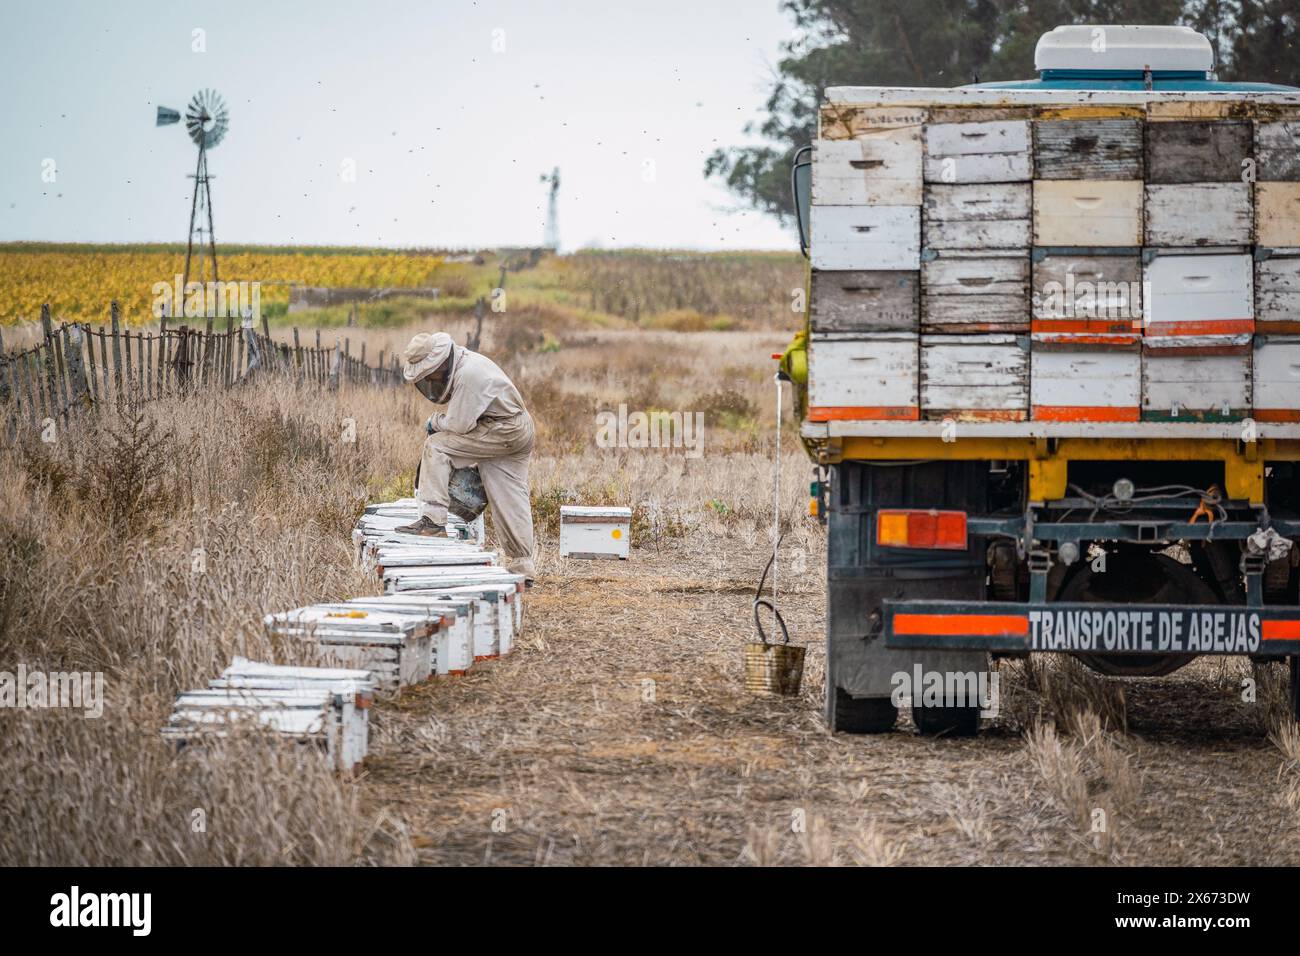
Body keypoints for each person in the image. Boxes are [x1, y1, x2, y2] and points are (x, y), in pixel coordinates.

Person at [397, 332, 536, 582]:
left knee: (436, 446)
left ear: (439, 364)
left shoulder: (469, 375)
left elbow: (458, 425)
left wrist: (434, 421)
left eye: (429, 375)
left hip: (502, 429)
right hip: (516, 428)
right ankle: (522, 566)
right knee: (510, 496)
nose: (429, 380)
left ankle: (433, 521)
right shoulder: (466, 363)